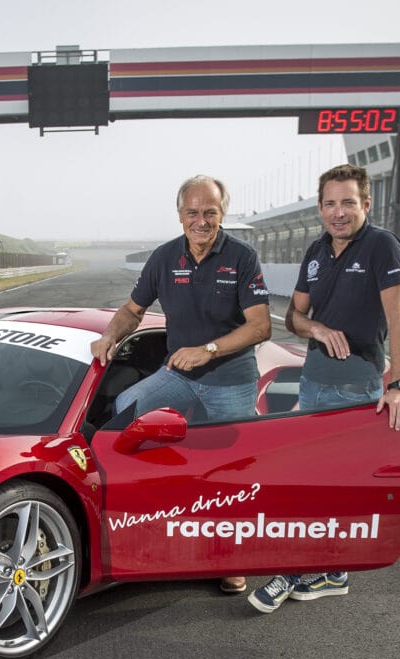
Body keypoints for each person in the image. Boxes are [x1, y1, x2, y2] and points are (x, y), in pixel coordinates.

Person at [248, 163, 400, 613]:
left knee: (325, 486)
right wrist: (318, 329)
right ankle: (332, 571)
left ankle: (296, 572)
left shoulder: (381, 245)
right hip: (313, 381)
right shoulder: (316, 251)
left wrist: (399, 383)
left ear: (366, 204)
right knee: (316, 483)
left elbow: (399, 316)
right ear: (320, 208)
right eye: (330, 203)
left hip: (357, 387)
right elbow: (294, 317)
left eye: (347, 203)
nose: (338, 212)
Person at [91, 173, 272, 594]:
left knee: (234, 470)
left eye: (210, 212)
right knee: (127, 407)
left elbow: (260, 326)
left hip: (230, 380)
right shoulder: (164, 257)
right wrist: (109, 335)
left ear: (222, 213)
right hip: (178, 376)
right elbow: (132, 310)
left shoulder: (242, 257)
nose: (201, 221)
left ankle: (231, 557)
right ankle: (147, 520)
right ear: (179, 215)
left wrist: (208, 350)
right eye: (192, 212)